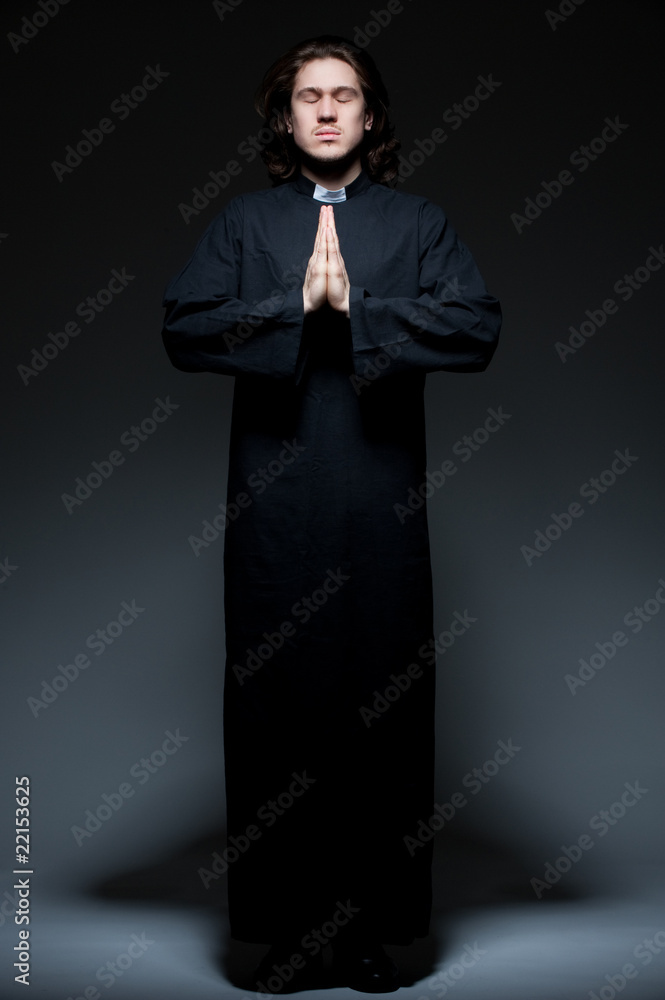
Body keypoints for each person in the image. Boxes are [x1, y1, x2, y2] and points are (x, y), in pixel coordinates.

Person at [162, 35, 501, 994]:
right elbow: (181, 325)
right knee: (276, 710)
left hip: (380, 508)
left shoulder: (417, 221)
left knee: (381, 710)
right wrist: (290, 305)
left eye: (342, 96)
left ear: (369, 116)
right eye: (306, 96)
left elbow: (477, 324)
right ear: (284, 116)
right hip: (274, 503)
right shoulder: (244, 223)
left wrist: (361, 308)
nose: (323, 111)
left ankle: (366, 933)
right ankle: (285, 931)